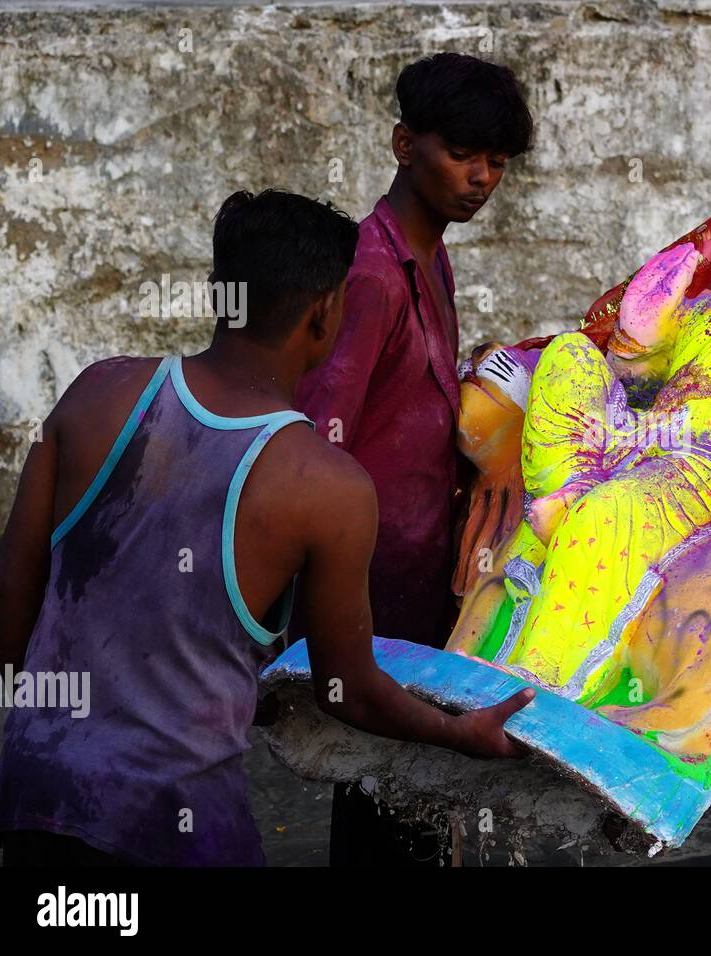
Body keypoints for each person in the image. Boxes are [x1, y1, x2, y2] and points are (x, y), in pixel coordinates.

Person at [0, 189, 532, 868]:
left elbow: (11, 584)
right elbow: (349, 690)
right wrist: (462, 732)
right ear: (325, 313)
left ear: (220, 293)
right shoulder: (327, 486)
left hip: (39, 793)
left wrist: (48, 727)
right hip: (176, 824)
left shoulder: (99, 391)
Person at [291, 53, 532, 865]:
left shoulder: (434, 260)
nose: (480, 178)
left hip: (422, 586)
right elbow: (318, 438)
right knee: (381, 808)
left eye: (496, 163)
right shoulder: (370, 273)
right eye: (463, 154)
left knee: (413, 806)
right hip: (366, 591)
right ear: (404, 144)